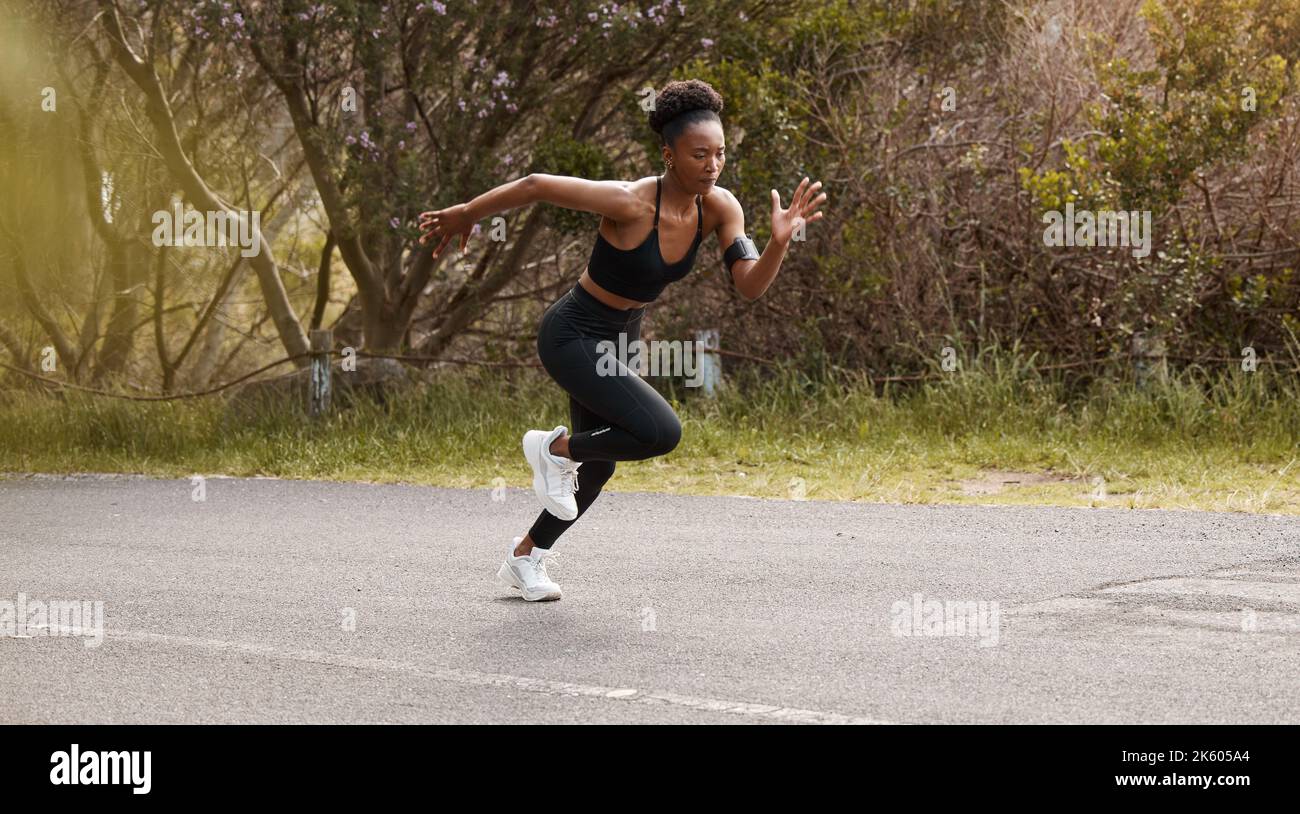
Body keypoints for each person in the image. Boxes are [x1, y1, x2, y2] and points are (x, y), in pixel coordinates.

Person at [418, 79, 826, 601]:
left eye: (720, 153)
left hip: (619, 339)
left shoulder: (720, 208)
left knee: (602, 463)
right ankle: (553, 448)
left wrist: (778, 243)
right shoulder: (630, 202)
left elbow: (748, 285)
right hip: (572, 333)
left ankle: (526, 559)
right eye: (699, 154)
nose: (712, 165)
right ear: (669, 154)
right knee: (661, 431)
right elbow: (537, 184)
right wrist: (466, 214)